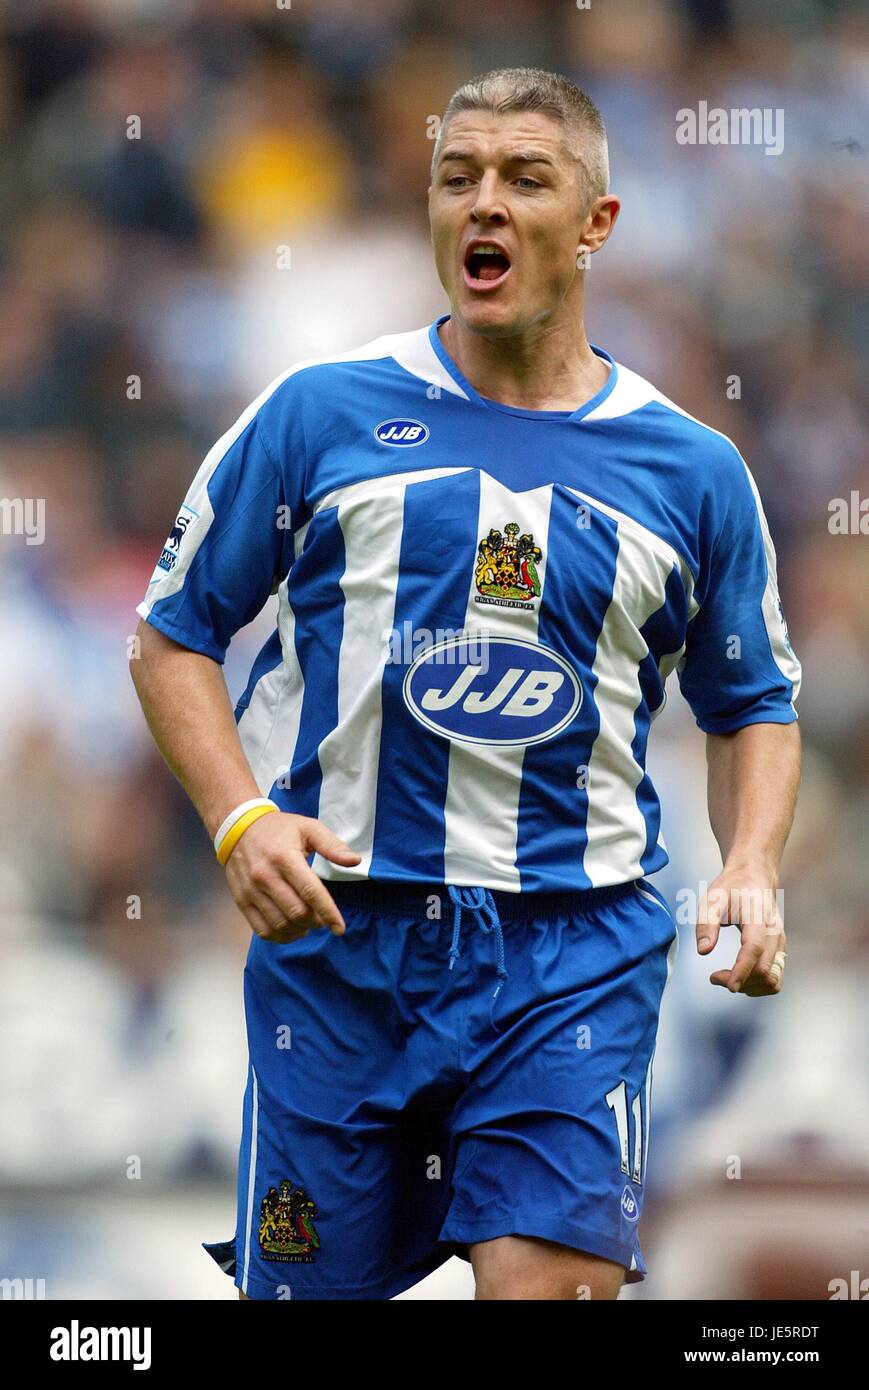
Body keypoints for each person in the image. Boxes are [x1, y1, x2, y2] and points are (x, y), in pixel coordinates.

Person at [129, 67, 801, 1301]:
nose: (481, 204)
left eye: (523, 179)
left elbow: (749, 700)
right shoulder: (315, 417)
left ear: (596, 223)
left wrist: (750, 861)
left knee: (544, 1290)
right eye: (457, 177)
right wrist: (237, 819)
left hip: (571, 952)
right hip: (341, 949)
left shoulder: (692, 471)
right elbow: (171, 635)